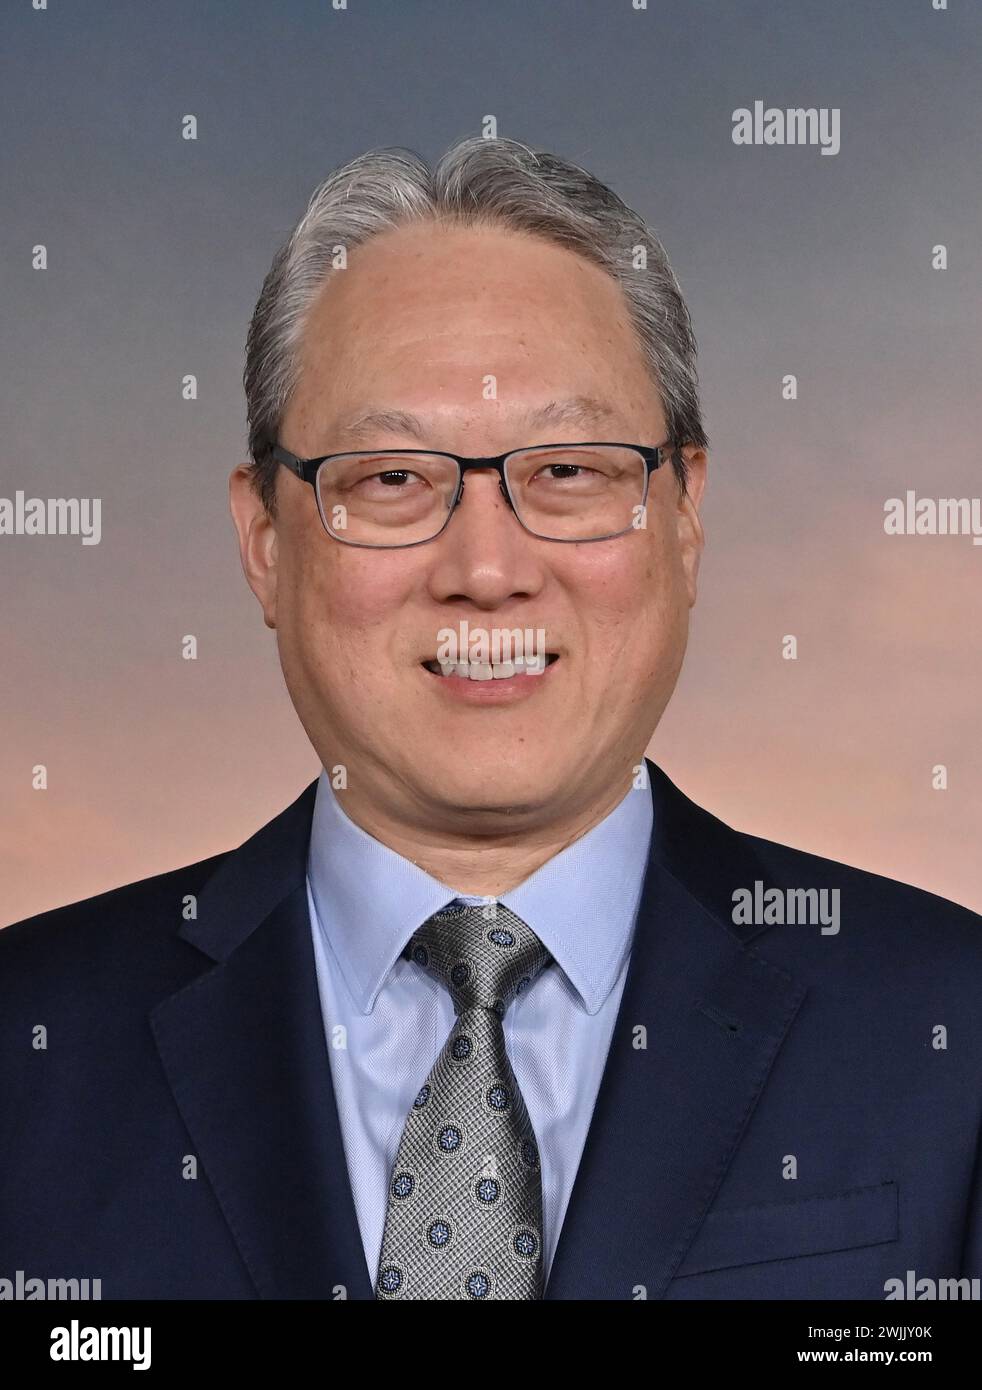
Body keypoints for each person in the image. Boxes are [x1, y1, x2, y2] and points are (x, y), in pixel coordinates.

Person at [2, 136, 980, 1302]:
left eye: (568, 470)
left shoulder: (950, 1031)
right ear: (264, 542)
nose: (486, 564)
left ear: (682, 517)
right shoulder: (28, 1046)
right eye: (391, 477)